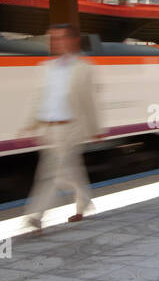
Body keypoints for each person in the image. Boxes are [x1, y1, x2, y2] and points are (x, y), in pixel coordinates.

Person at [23, 23, 102, 232]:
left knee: (51, 173)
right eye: (53, 38)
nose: (55, 42)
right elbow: (39, 98)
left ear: (72, 40)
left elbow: (88, 101)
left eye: (60, 38)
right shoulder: (46, 67)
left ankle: (37, 215)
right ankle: (84, 201)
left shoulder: (84, 68)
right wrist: (30, 124)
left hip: (71, 128)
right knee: (70, 171)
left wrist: (95, 128)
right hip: (50, 128)